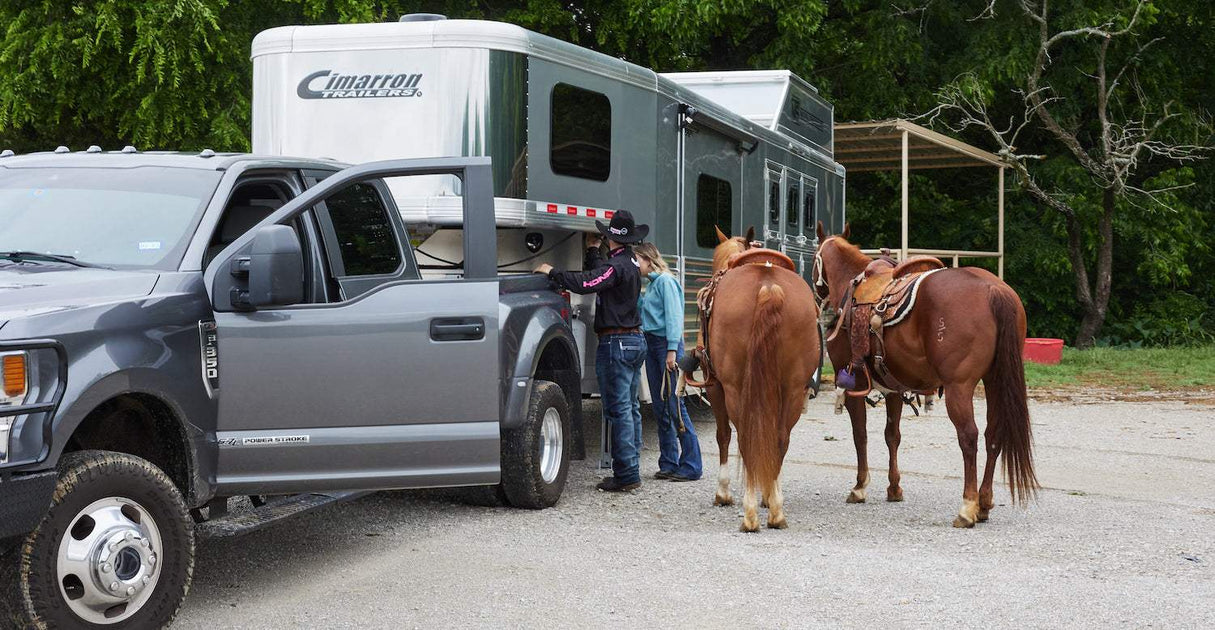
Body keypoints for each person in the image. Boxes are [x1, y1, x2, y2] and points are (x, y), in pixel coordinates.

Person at [534, 210, 649, 492]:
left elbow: (587, 282)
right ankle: (631, 467)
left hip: (617, 344)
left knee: (619, 409)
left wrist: (552, 272)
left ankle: (626, 474)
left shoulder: (617, 266)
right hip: (635, 341)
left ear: (611, 238)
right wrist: (593, 251)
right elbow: (604, 274)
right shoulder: (631, 263)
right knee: (630, 409)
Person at [634, 243, 703, 482]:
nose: (635, 266)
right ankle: (669, 462)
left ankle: (692, 465)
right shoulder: (652, 285)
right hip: (653, 344)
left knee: (675, 405)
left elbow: (674, 317)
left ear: (647, 259)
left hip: (666, 344)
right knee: (660, 405)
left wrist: (672, 350)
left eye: (637, 261)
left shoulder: (665, 282)